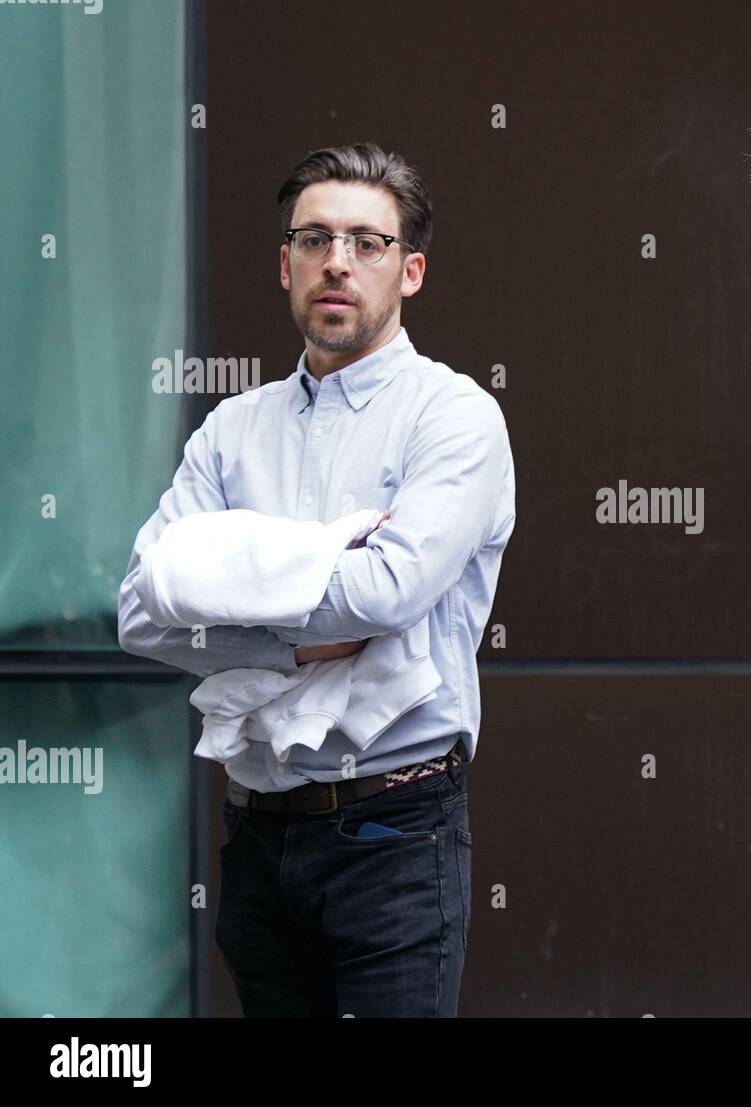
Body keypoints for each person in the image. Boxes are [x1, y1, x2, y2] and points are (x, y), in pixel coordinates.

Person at [117, 142, 515, 1017]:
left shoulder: (454, 418)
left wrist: (227, 585)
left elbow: (386, 593)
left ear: (410, 271)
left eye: (368, 243)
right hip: (258, 828)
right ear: (286, 263)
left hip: (397, 826)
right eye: (315, 238)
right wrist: (302, 639)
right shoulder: (231, 430)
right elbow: (141, 611)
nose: (338, 260)